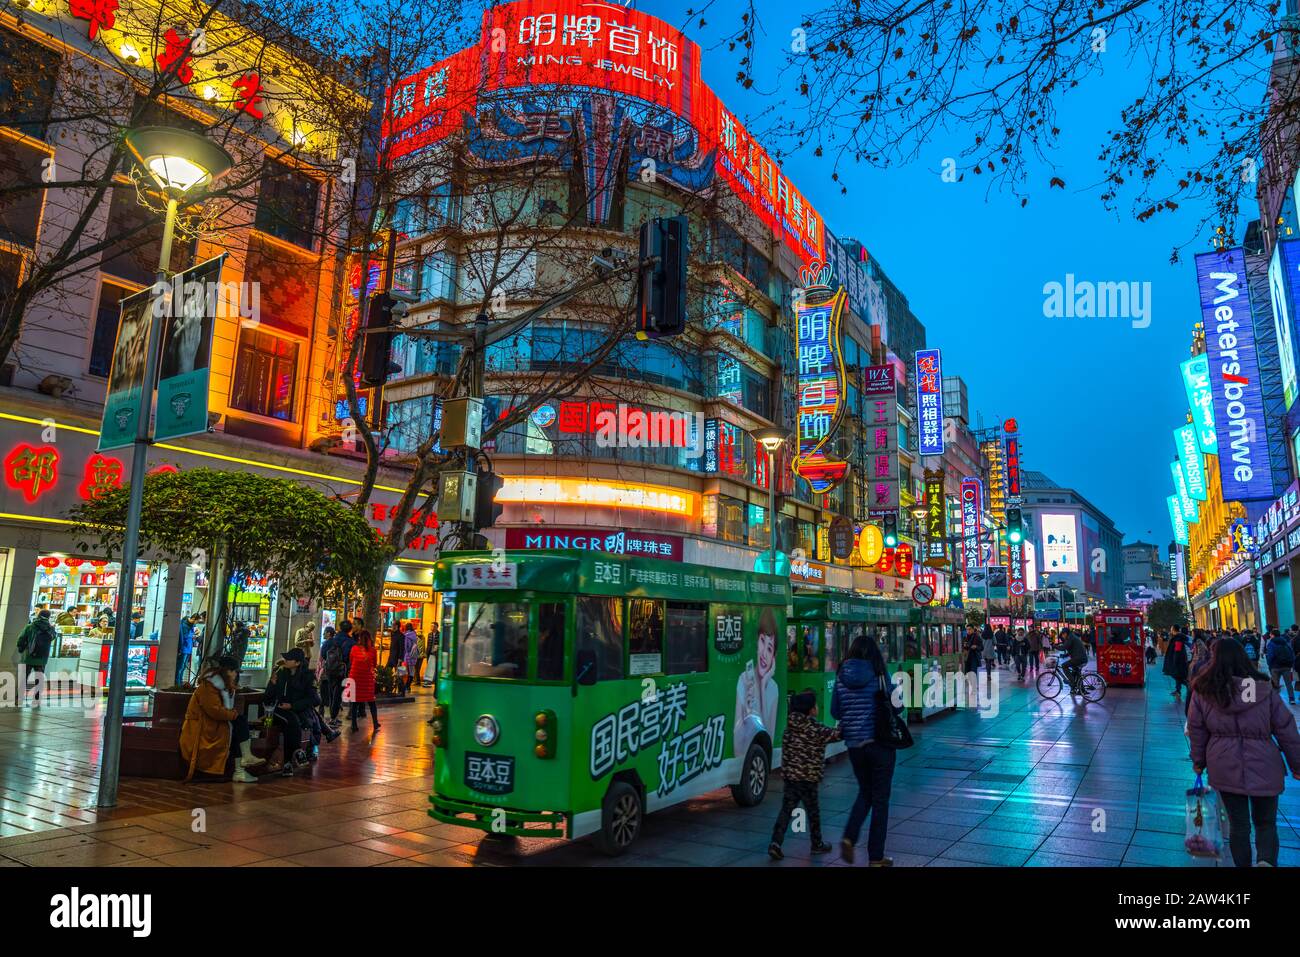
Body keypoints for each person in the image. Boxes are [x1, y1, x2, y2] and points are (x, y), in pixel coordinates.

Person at [1188, 637, 1300, 867]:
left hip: (1223, 764)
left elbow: (1197, 730)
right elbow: (1286, 729)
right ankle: (1265, 863)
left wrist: (1198, 761)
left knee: (1238, 825)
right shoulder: (1263, 687)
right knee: (1266, 823)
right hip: (1264, 763)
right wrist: (1297, 765)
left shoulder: (1205, 689)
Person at [832, 635, 899, 866]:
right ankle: (875, 857)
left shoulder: (841, 676)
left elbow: (835, 712)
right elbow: (895, 705)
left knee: (865, 792)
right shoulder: (879, 673)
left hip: (854, 746)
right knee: (880, 800)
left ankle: (849, 837)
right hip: (879, 743)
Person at [769, 690, 841, 860]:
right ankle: (817, 844)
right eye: (814, 705)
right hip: (808, 779)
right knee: (813, 812)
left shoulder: (789, 729)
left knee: (786, 811)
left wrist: (786, 773)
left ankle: (775, 843)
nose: (816, 707)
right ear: (810, 710)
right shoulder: (816, 729)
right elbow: (837, 735)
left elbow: (786, 754)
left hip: (791, 778)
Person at [179, 655, 264, 783]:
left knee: (238, 726)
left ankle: (241, 768)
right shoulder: (209, 686)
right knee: (239, 722)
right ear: (228, 671)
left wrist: (232, 716)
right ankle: (243, 762)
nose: (236, 675)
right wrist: (233, 715)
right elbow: (214, 710)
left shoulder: (222, 686)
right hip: (203, 729)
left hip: (214, 724)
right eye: (234, 671)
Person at [264, 648, 315, 776]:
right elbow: (268, 697)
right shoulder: (281, 673)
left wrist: (293, 705)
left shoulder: (307, 677)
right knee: (291, 720)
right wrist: (272, 683)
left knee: (290, 724)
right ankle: (297, 752)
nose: (285, 660)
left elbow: (314, 699)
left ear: (297, 663)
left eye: (288, 659)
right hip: (277, 710)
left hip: (295, 711)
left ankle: (287, 764)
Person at [17, 609, 57, 704]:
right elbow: (53, 637)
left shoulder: (30, 627)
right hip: (42, 656)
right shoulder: (51, 628)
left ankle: (20, 696)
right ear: (48, 617)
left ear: (38, 615)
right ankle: (37, 697)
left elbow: (21, 639)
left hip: (29, 655)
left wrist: (21, 648)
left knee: (24, 676)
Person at [348, 627, 380, 733]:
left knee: (354, 702)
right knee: (371, 701)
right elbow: (374, 664)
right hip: (367, 678)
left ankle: (354, 724)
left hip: (355, 677)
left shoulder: (354, 648)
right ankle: (375, 723)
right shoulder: (373, 650)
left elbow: (351, 661)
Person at [1266, 628, 1297, 705]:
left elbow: (1270, 656)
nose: (1270, 635)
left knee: (1275, 685)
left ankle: (1276, 700)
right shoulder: (1285, 642)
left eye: (1270, 634)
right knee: (1288, 683)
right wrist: (1291, 664)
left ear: (1273, 635)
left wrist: (1270, 665)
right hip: (1286, 666)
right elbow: (1291, 652)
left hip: (1275, 667)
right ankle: (1292, 699)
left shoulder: (1271, 643)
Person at [1163, 626, 1190, 699]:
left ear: (1174, 630)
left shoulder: (1178, 639)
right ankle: (1178, 691)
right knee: (1178, 676)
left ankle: (1188, 687)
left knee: (1178, 676)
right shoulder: (1178, 638)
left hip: (1178, 662)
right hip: (1179, 661)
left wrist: (1175, 661)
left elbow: (1177, 651)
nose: (1171, 630)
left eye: (1171, 629)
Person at [176, 614, 197, 686]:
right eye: (196, 621)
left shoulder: (191, 626)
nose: (196, 623)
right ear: (193, 619)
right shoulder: (184, 625)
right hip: (184, 649)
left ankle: (180, 683)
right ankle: (177, 684)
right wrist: (193, 635)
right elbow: (185, 636)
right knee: (180, 668)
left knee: (183, 668)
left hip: (188, 649)